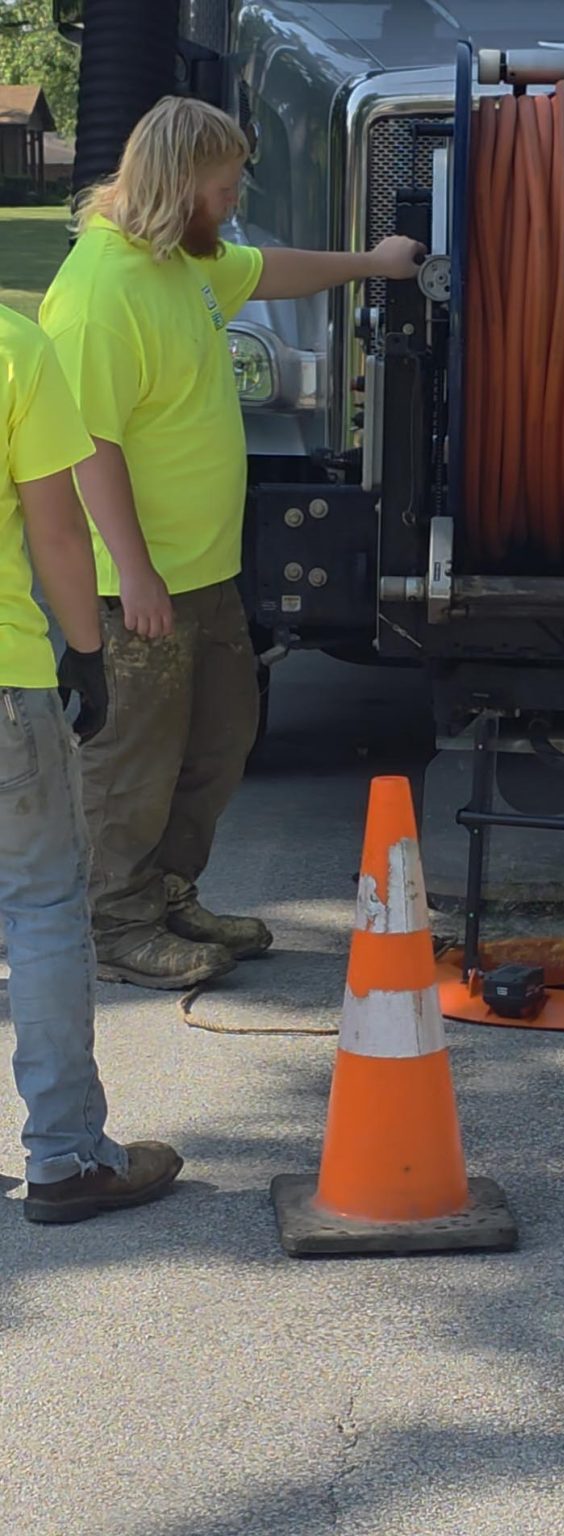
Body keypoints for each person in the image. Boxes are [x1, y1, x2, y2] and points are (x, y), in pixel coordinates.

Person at [41, 96, 425, 990]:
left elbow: (268, 270)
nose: (234, 198)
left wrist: (375, 264)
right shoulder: (103, 293)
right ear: (181, 188)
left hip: (203, 571)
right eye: (224, 185)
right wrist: (134, 575)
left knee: (219, 740)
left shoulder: (183, 259)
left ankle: (169, 892)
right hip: (136, 584)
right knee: (133, 759)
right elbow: (85, 448)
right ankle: (116, 922)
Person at [0, 301, 180, 1222]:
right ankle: (66, 1158)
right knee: (39, 911)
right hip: (3, 684)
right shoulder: (13, 345)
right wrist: (85, 650)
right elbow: (58, 534)